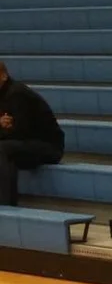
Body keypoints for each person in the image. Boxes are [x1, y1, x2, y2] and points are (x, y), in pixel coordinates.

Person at [0, 61, 64, 207]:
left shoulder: (17, 93)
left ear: (3, 76)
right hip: (26, 145)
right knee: (6, 153)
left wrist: (5, 129)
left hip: (48, 146)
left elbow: (20, 131)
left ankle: (5, 205)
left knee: (2, 149)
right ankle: (8, 204)